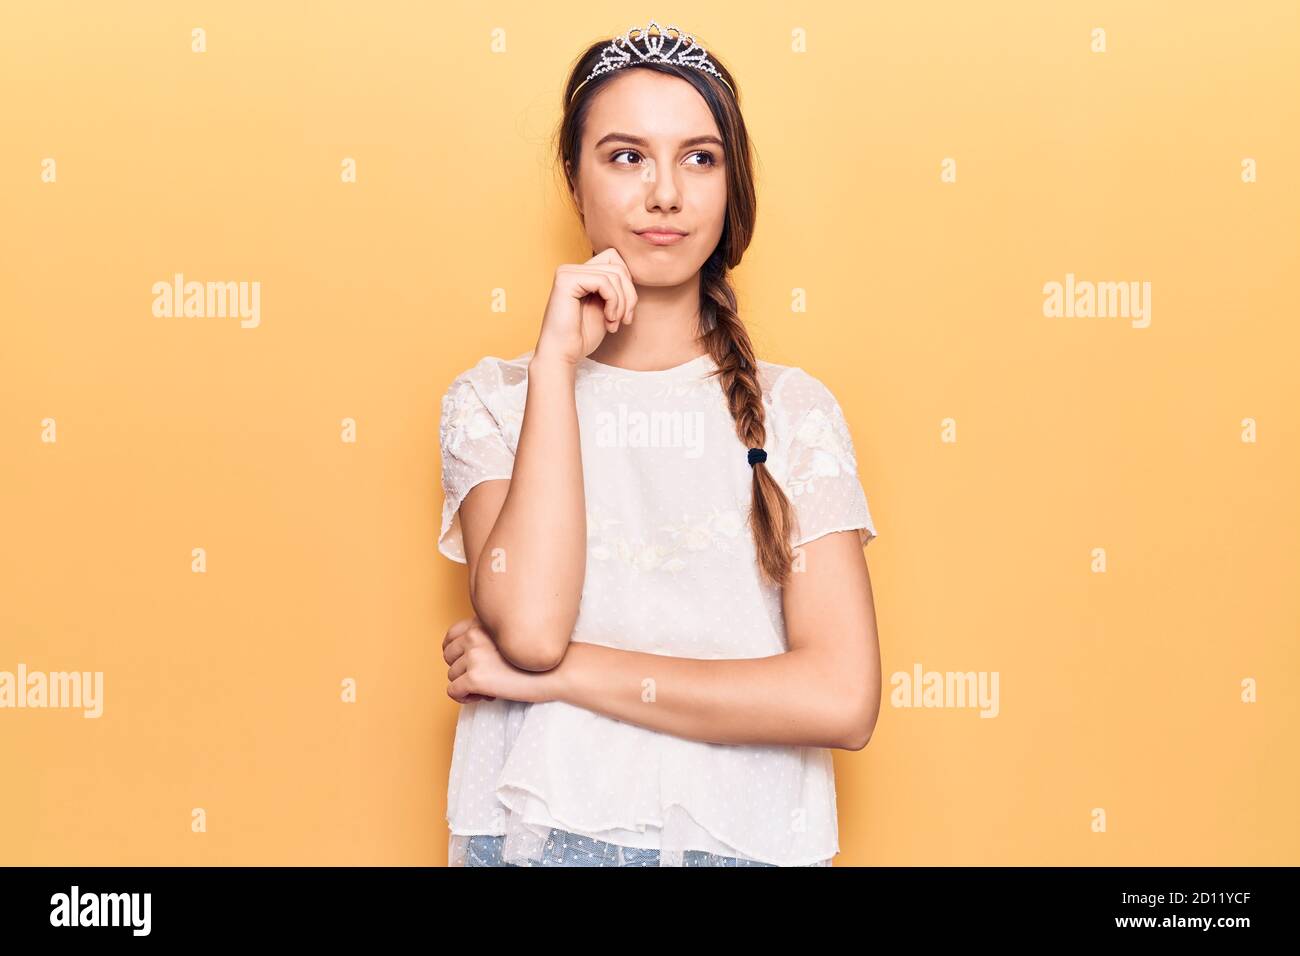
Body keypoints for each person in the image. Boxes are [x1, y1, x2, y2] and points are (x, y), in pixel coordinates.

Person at [437, 20, 881, 867]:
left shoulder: (795, 412)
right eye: (627, 156)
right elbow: (528, 629)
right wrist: (556, 364)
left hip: (745, 845)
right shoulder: (495, 403)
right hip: (539, 841)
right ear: (574, 178)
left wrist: (566, 678)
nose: (666, 194)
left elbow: (841, 697)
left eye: (699, 157)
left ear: (731, 180)